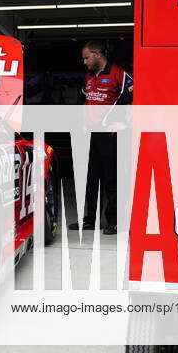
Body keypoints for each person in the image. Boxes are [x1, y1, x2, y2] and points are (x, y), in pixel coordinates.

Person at [69, 41, 132, 235]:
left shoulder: (119, 74)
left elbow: (136, 99)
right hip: (89, 134)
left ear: (97, 55)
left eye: (87, 57)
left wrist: (125, 124)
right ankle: (89, 220)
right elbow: (85, 101)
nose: (84, 61)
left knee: (111, 179)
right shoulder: (88, 76)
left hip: (109, 134)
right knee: (89, 178)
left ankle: (113, 222)